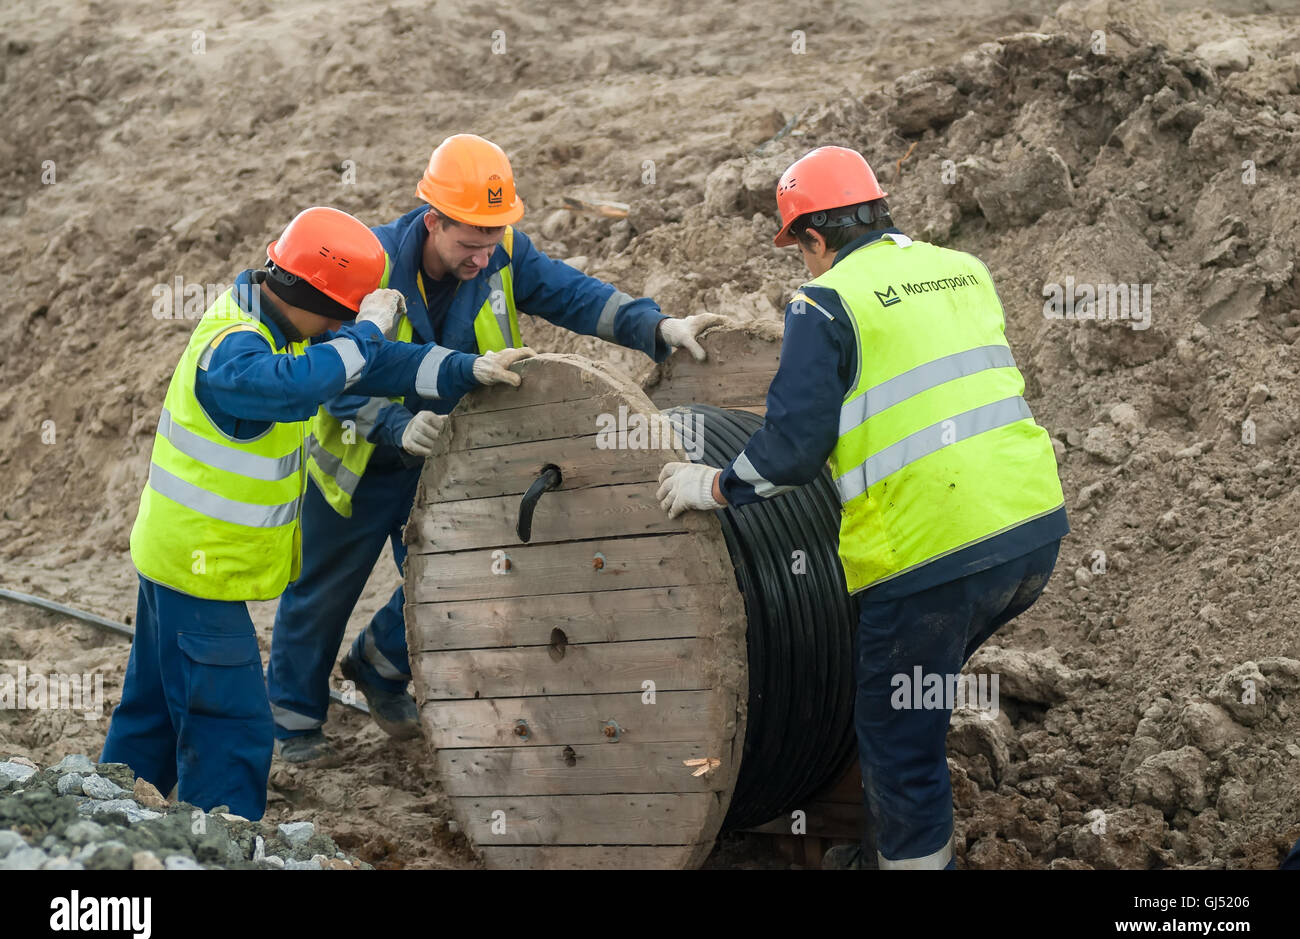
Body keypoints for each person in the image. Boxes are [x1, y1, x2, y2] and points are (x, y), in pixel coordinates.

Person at [656, 145, 1070, 870]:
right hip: (1030, 529)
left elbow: (790, 453)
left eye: (801, 250)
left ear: (814, 238)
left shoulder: (826, 300)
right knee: (913, 695)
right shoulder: (961, 269)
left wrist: (714, 486)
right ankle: (883, 849)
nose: (804, 263)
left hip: (930, 556)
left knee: (896, 741)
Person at [267, 134, 718, 761]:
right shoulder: (365, 269)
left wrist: (656, 327)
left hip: (451, 457)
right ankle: (292, 724)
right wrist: (395, 427)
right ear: (433, 221)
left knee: (457, 578)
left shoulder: (502, 251)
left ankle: (378, 666)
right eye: (468, 244)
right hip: (360, 461)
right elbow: (328, 372)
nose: (483, 258)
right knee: (321, 590)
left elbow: (574, 295)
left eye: (491, 241)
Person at [99, 206, 525, 820]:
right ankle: (223, 848)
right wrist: (367, 334)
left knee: (154, 706)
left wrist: (465, 368)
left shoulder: (267, 322)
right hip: (201, 573)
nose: (342, 327)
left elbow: (375, 365)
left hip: (174, 559)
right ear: (312, 295)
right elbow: (297, 384)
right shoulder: (238, 357)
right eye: (341, 315)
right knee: (233, 725)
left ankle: (105, 813)